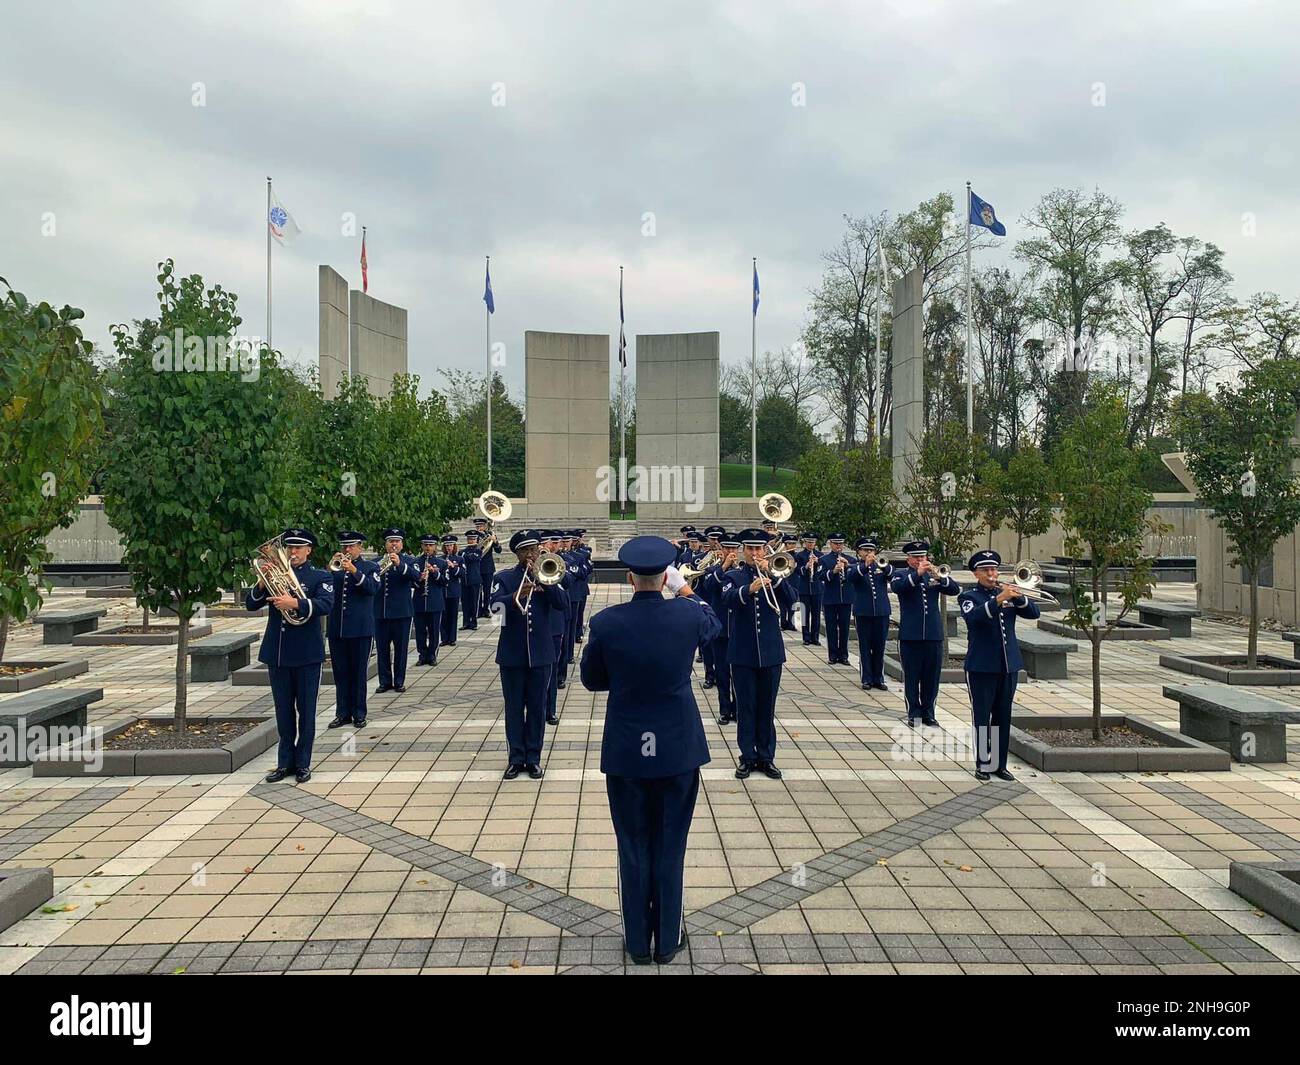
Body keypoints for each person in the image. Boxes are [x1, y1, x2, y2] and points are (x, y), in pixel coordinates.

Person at [580, 535, 720, 965]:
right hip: (677, 745)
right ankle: (668, 940)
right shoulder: (686, 615)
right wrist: (685, 590)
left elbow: (592, 680)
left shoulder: (607, 622)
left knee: (633, 843)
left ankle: (638, 942)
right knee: (671, 843)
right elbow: (715, 626)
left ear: (628, 578)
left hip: (626, 747)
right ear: (665, 576)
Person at [247, 528, 334, 784]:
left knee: (306, 712)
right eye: (289, 548)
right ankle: (284, 763)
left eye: (298, 548)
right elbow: (251, 605)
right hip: (278, 653)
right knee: (283, 712)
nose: (293, 552)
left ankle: (303, 763)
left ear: (309, 550)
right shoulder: (275, 575)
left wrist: (295, 603)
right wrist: (262, 581)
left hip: (307, 654)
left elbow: (325, 604)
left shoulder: (320, 576)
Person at [490, 529, 567, 779]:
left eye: (534, 549)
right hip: (512, 655)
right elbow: (493, 611)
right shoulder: (504, 578)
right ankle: (516, 758)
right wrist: (515, 597)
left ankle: (533, 758)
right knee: (514, 708)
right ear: (518, 554)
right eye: (526, 551)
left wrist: (546, 582)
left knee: (537, 707)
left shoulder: (549, 574)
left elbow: (562, 604)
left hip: (541, 654)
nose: (531, 555)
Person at [722, 528, 798, 779]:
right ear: (744, 550)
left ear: (766, 550)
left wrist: (773, 576)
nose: (755, 553)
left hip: (771, 652)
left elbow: (791, 599)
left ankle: (766, 757)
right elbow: (728, 599)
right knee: (746, 708)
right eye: (751, 548)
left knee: (767, 707)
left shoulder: (776, 572)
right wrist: (750, 589)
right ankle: (747, 757)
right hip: (742, 652)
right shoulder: (733, 575)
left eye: (759, 549)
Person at [958, 549, 1039, 781]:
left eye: (994, 569)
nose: (992, 574)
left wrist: (1020, 595)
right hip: (981, 666)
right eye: (986, 570)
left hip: (1008, 665)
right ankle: (983, 763)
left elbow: (1034, 613)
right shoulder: (969, 597)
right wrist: (998, 600)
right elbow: (974, 619)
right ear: (976, 574)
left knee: (1003, 717)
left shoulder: (1008, 594)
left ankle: (999, 765)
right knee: (982, 717)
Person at [890, 539, 960, 727]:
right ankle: (914, 713)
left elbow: (954, 589)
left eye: (923, 556)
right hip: (910, 635)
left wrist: (940, 576)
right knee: (912, 677)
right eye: (916, 557)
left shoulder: (934, 575)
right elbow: (899, 588)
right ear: (909, 559)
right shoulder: (900, 575)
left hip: (933, 634)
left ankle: (929, 712)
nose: (921, 559)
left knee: (931, 677)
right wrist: (918, 574)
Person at [325, 530, 379, 730]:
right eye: (344, 546)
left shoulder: (370, 567)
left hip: (361, 630)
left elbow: (372, 588)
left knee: (358, 673)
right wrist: (332, 567)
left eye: (351, 546)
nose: (347, 550)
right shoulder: (336, 570)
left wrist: (354, 571)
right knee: (341, 673)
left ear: (360, 547)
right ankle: (342, 713)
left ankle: (359, 713)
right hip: (338, 629)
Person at [699, 531, 740, 724]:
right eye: (728, 548)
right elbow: (707, 587)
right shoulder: (713, 569)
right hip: (721, 629)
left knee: (740, 674)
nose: (731, 551)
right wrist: (723, 567)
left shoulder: (744, 571)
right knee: (722, 672)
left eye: (734, 548)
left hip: (740, 629)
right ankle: (725, 709)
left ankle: (739, 709)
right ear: (721, 549)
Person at [845, 537, 893, 692]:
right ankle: (867, 678)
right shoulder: (854, 567)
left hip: (881, 612)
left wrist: (882, 566)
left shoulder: (881, 566)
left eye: (871, 550)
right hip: (863, 612)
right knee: (865, 646)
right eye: (865, 550)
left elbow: (893, 576)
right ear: (859, 552)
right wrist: (865, 565)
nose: (869, 553)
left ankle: (879, 678)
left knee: (880, 646)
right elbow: (850, 578)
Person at [373, 528, 417, 694]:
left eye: (397, 541)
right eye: (391, 541)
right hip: (380, 612)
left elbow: (416, 576)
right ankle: (384, 681)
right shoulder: (377, 562)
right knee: (382, 649)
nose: (394, 544)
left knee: (401, 649)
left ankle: (399, 681)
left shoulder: (409, 561)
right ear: (386, 544)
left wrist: (400, 564)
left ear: (401, 544)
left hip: (402, 613)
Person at [817, 533, 853, 665]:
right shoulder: (824, 560)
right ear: (831, 544)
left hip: (846, 599)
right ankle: (832, 655)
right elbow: (820, 576)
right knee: (831, 627)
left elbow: (855, 576)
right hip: (830, 598)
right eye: (836, 543)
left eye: (840, 543)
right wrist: (833, 572)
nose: (838, 546)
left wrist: (847, 567)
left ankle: (843, 655)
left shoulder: (850, 559)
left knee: (844, 628)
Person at [413, 534, 446, 666]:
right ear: (422, 546)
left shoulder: (441, 563)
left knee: (433, 631)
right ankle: (422, 655)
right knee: (420, 631)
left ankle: (432, 655)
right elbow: (411, 582)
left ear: (435, 547)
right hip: (419, 601)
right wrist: (420, 579)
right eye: (425, 545)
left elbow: (444, 582)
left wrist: (435, 573)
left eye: (431, 545)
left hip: (435, 602)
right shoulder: (415, 562)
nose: (428, 547)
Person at [792, 532, 823, 646]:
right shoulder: (799, 556)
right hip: (804, 588)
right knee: (805, 613)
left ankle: (815, 637)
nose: (811, 544)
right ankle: (806, 637)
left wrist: (817, 562)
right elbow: (796, 570)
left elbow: (822, 571)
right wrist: (806, 566)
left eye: (813, 542)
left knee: (816, 614)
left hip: (817, 588)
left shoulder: (820, 555)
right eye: (809, 542)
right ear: (805, 543)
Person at [439, 534, 463, 647]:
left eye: (451, 545)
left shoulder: (459, 559)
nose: (449, 547)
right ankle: (444, 638)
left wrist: (454, 567)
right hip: (443, 591)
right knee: (443, 616)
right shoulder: (440, 559)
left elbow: (463, 573)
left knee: (453, 615)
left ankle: (452, 638)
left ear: (454, 546)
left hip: (454, 591)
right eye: (447, 545)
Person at [474, 516, 501, 619]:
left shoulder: (490, 535)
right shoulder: (474, 536)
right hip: (477, 566)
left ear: (485, 526)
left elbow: (499, 550)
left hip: (488, 566)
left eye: (481, 525)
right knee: (478, 590)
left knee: (487, 589)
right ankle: (478, 610)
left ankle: (486, 609)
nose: (479, 527)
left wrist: (495, 541)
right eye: (477, 526)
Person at [460, 530, 484, 630]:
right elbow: (463, 559)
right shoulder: (462, 551)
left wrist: (466, 556)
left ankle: (473, 622)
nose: (471, 540)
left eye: (473, 539)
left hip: (475, 579)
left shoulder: (479, 551)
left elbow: (472, 559)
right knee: (465, 602)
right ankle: (466, 622)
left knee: (474, 602)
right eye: (470, 539)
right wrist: (466, 556)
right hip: (465, 580)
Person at [778, 534, 800, 631]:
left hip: (794, 581)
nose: (791, 546)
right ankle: (783, 623)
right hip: (783, 580)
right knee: (782, 603)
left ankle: (791, 624)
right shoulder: (780, 555)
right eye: (789, 544)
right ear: (785, 545)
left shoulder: (798, 556)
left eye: (793, 544)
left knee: (792, 603)